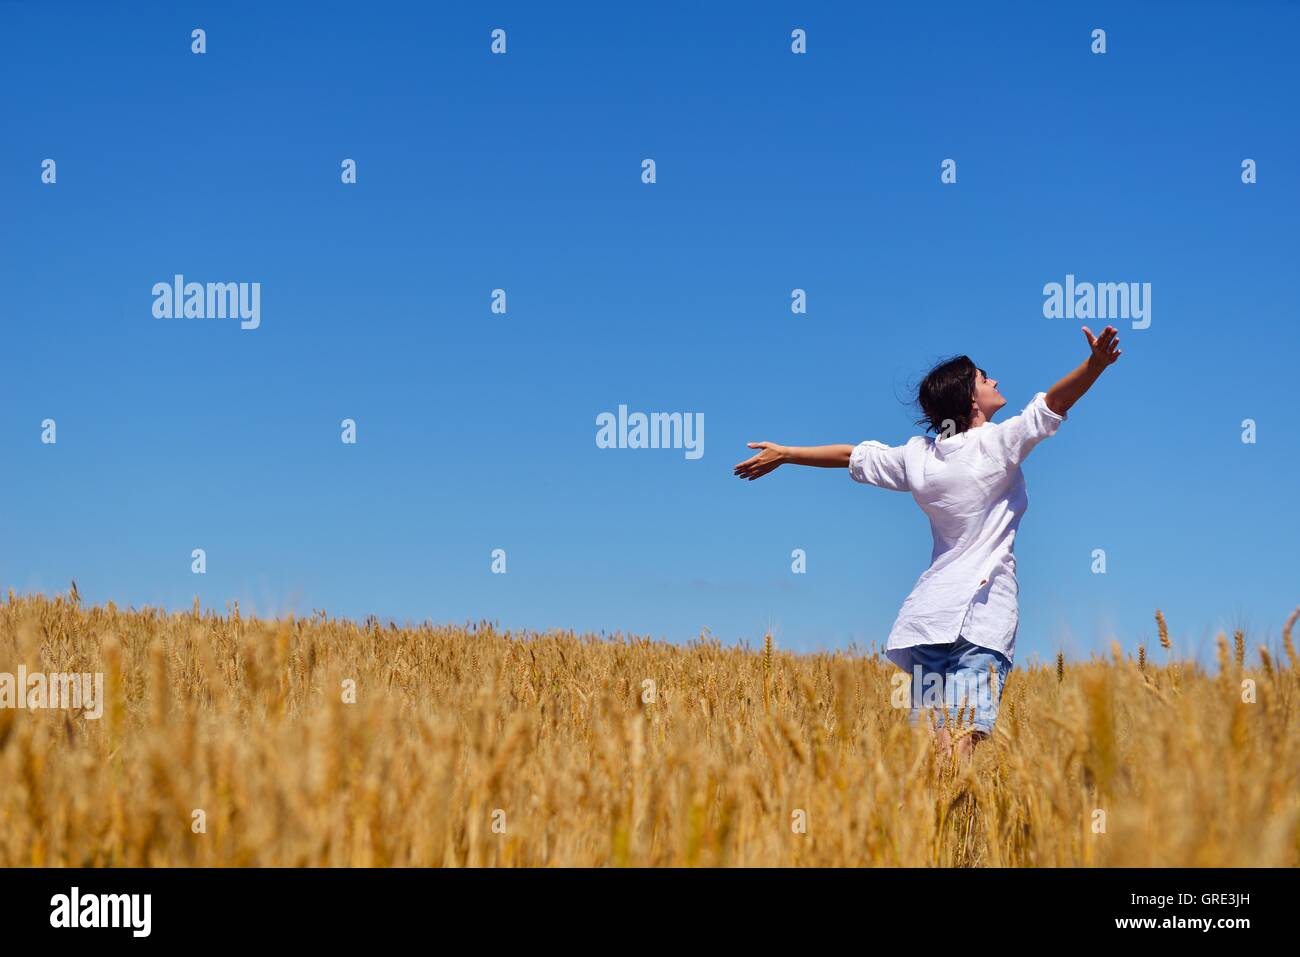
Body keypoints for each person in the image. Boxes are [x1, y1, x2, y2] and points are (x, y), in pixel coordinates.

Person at [733, 325, 1123, 763]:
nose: (994, 381)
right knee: (959, 740)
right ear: (971, 400)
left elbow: (851, 455)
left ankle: (927, 827)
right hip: (981, 616)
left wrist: (786, 453)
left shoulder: (920, 456)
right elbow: (1053, 404)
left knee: (934, 746)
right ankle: (950, 825)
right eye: (983, 377)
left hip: (926, 622)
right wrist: (1095, 366)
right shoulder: (996, 443)